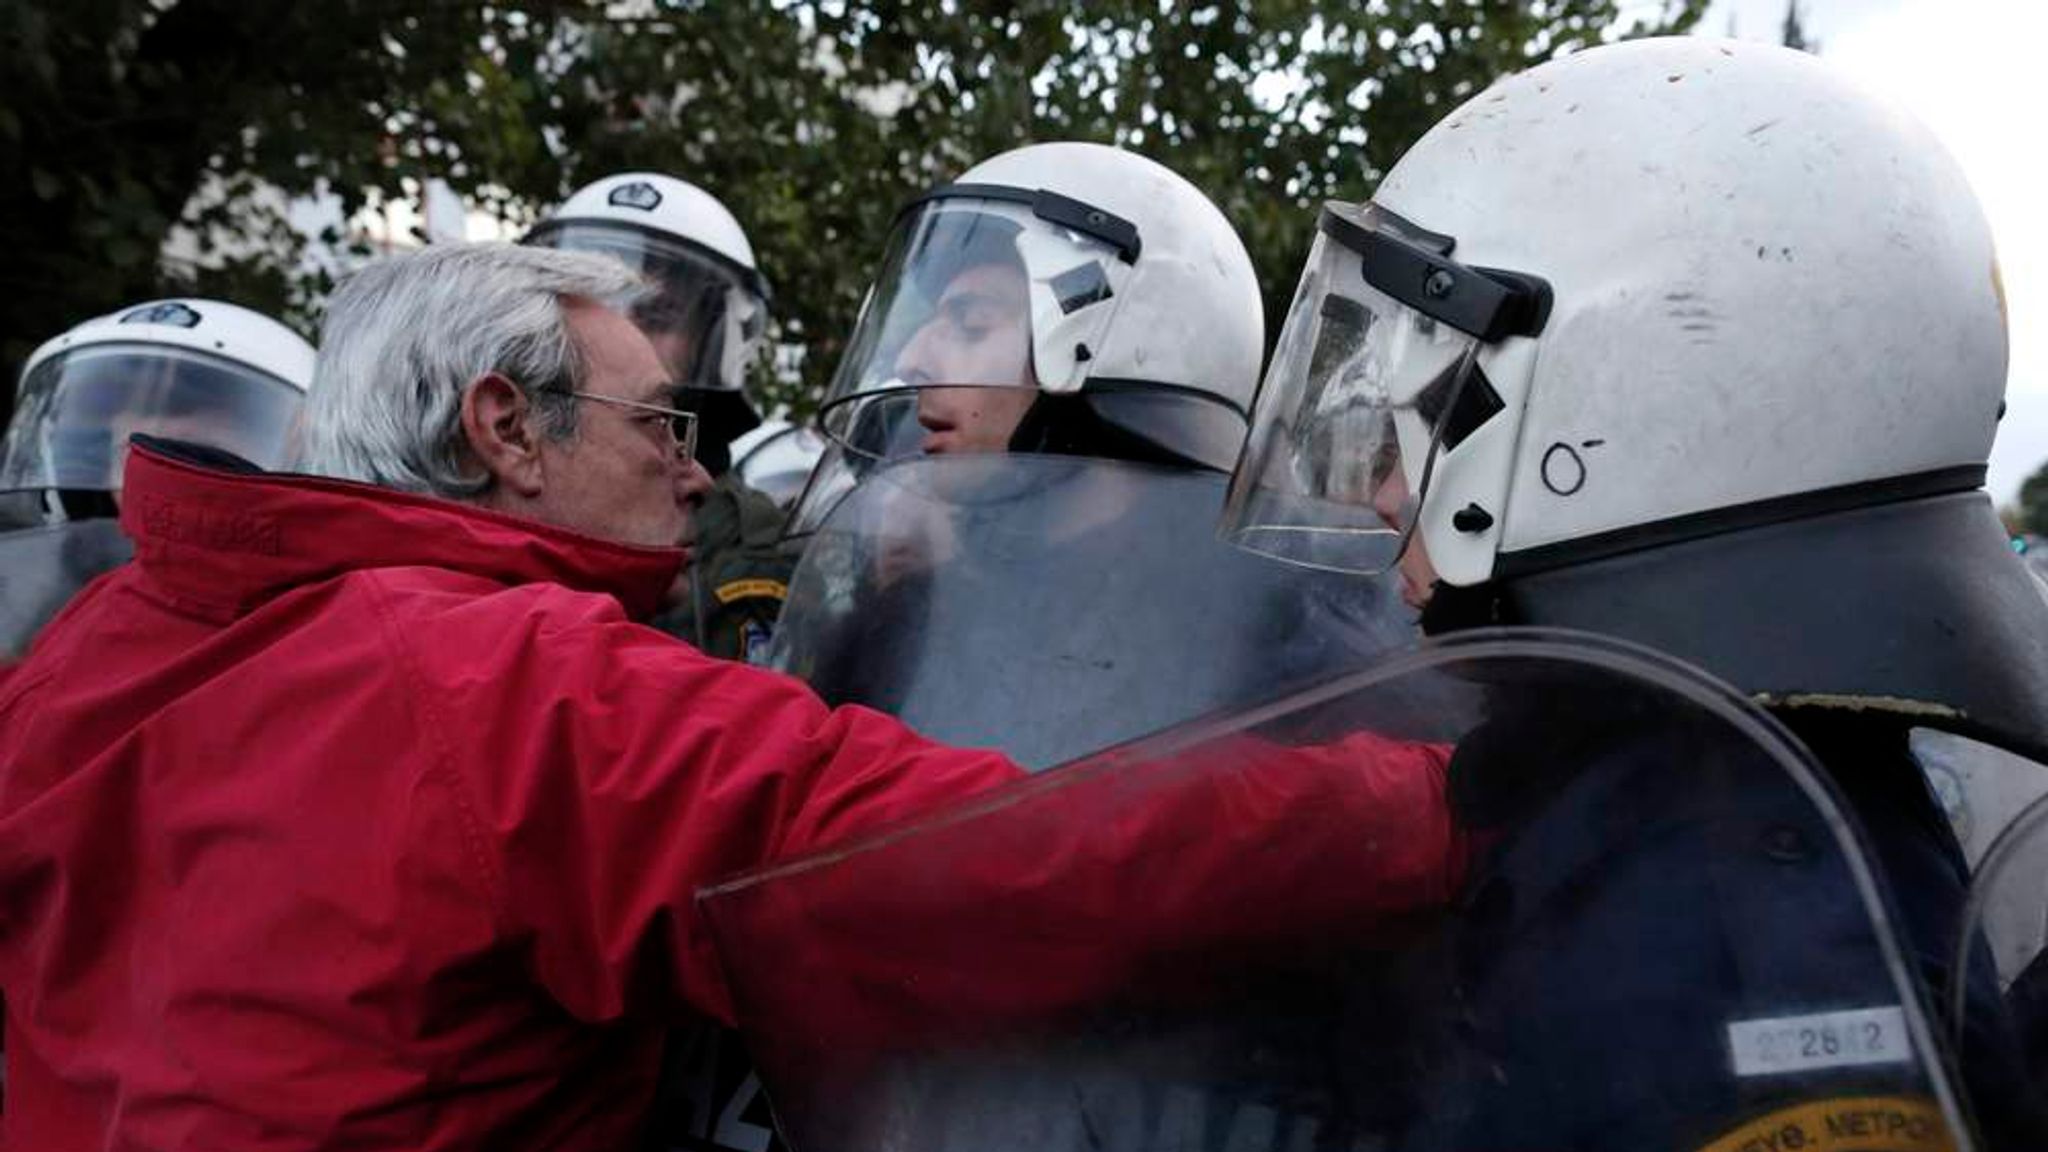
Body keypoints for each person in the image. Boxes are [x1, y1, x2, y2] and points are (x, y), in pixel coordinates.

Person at [0, 241, 1461, 1149]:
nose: (698, 469)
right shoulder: (510, 682)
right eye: (657, 423)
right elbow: (974, 866)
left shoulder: (93, 645)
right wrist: (1414, 807)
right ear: (505, 428)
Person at [1224, 36, 2048, 1150]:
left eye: (1421, 418)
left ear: (1630, 406)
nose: (1378, 492)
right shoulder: (1680, 800)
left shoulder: (1736, 925)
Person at [770, 142, 1412, 769]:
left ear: (1116, 347)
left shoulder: (1281, 615)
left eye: (969, 325)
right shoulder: (914, 601)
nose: (912, 359)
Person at [525, 172, 796, 662]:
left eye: (659, 315)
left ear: (709, 338)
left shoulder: (759, 548)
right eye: (594, 309)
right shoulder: (491, 495)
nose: (621, 332)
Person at [0, 297, 312, 658]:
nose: (145, 424)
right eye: (119, 407)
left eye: (192, 399)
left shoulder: (306, 625)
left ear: (296, 448)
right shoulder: (38, 588)